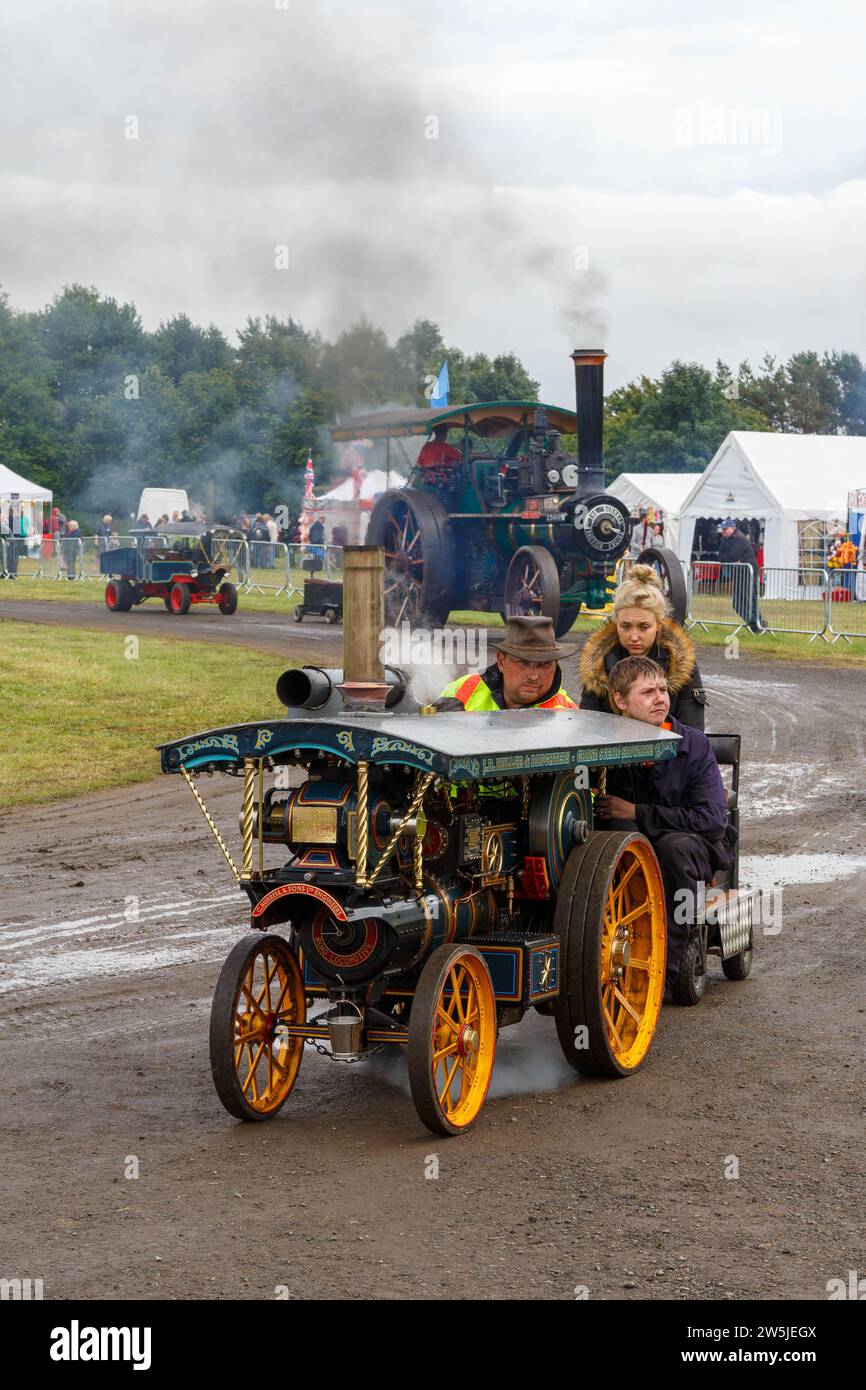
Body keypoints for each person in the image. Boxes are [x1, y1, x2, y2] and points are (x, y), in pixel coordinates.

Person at [594, 655, 735, 993]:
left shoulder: (694, 745)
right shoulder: (604, 745)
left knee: (673, 848)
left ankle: (660, 970)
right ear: (620, 701)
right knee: (613, 843)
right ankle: (602, 956)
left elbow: (712, 822)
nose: (660, 698)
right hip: (635, 845)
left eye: (662, 690)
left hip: (694, 847)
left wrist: (637, 812)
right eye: (647, 692)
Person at [579, 563, 706, 729]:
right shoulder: (597, 664)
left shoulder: (681, 663)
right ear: (616, 623)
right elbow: (588, 728)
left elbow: (694, 733)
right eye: (625, 626)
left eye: (643, 627)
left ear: (659, 625)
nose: (633, 637)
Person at [435, 615, 577, 710]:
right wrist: (438, 723)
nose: (534, 676)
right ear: (502, 661)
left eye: (544, 665)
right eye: (524, 663)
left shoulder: (567, 715)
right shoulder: (464, 689)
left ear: (556, 664)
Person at [718, 519, 762, 632]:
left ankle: (757, 625)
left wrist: (730, 559)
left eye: (725, 529)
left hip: (749, 573)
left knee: (750, 600)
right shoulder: (724, 538)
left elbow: (732, 556)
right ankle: (756, 623)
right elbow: (721, 557)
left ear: (733, 528)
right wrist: (731, 559)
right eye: (722, 529)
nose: (723, 532)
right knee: (737, 604)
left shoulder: (740, 538)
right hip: (738, 573)